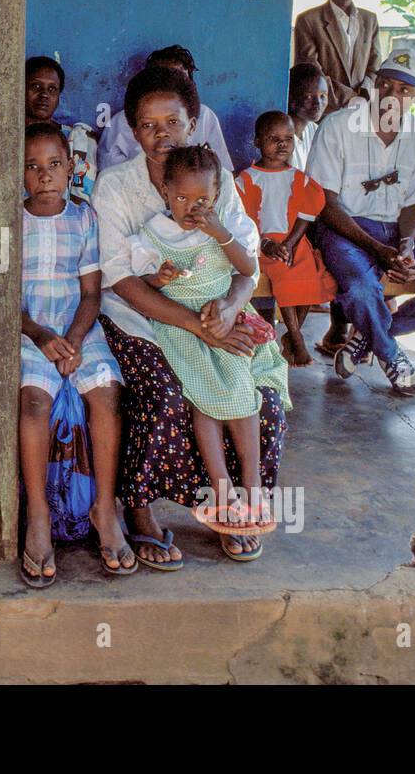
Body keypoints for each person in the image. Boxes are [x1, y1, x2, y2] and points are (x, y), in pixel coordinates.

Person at [93, 64, 283, 564]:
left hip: (218, 311)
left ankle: (235, 503)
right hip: (142, 316)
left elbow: (247, 260)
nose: (161, 135)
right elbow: (121, 279)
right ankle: (139, 509)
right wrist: (201, 328)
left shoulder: (216, 181)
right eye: (149, 125)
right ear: (133, 131)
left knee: (261, 394)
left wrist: (229, 309)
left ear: (193, 122)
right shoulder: (115, 186)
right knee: (166, 392)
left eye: (172, 122)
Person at [131, 144, 289, 537]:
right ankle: (221, 491)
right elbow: (141, 281)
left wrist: (220, 233)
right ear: (165, 192)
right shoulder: (153, 233)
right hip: (183, 329)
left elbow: (249, 269)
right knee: (202, 394)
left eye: (202, 198)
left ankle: (252, 486)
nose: (191, 207)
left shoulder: (223, 230)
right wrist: (160, 278)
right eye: (182, 197)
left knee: (238, 385)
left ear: (217, 196)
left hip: (226, 319)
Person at [307, 47, 415, 396]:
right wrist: (379, 249)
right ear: (374, 85)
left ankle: (368, 339)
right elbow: (326, 204)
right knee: (359, 289)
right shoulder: (338, 126)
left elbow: (413, 204)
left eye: (404, 90)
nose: (392, 95)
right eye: (386, 85)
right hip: (344, 229)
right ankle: (392, 357)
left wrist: (406, 247)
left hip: (395, 233)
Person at [19, 122, 128, 587]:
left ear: (71, 168)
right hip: (26, 328)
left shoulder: (84, 218)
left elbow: (90, 294)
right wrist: (41, 335)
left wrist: (77, 339)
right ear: (19, 173)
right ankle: (38, 516)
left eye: (54, 164)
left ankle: (105, 507)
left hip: (78, 327)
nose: (44, 174)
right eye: (32, 166)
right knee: (35, 403)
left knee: (105, 396)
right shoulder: (9, 220)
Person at [235, 111, 337, 366]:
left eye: (288, 138)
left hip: (294, 241)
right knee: (284, 271)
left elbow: (307, 214)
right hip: (261, 245)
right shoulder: (246, 179)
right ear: (257, 141)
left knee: (309, 273)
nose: (282, 144)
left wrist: (290, 243)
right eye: (273, 138)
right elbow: (242, 221)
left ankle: (293, 337)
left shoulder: (299, 179)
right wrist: (266, 244)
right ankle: (296, 340)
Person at [96, 45, 235, 173]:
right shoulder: (122, 120)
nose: (170, 84)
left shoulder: (205, 116)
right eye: (147, 125)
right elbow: (108, 170)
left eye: (174, 122)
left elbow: (223, 169)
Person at [293, 0, 382, 117]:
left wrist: (364, 94)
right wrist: (350, 99)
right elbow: (312, 73)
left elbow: (375, 66)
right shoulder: (309, 20)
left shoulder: (370, 19)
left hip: (361, 109)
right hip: (324, 110)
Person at [25, 55, 100, 203]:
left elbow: (82, 198)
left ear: (59, 96)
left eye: (52, 89)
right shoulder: (4, 137)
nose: (44, 95)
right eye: (36, 86)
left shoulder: (77, 138)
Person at [287, 62, 329, 172]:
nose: (318, 103)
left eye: (322, 96)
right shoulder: (283, 137)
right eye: (309, 97)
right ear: (292, 98)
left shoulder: (316, 131)